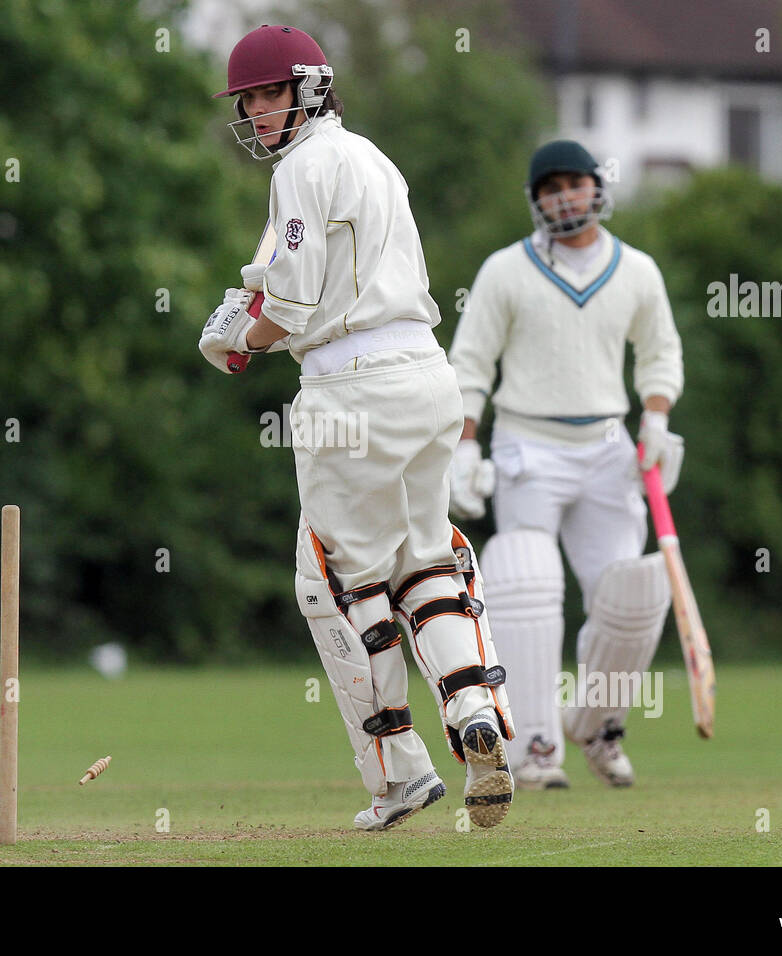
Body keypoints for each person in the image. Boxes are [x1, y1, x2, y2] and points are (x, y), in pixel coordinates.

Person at [198, 25, 516, 830]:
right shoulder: (373, 157)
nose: (256, 111)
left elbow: (292, 307)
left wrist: (237, 339)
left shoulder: (302, 170)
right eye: (249, 99)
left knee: (335, 581)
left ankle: (397, 774)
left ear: (309, 87)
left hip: (350, 391)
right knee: (424, 563)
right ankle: (474, 711)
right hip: (426, 377)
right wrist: (260, 315)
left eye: (267, 94)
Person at [447, 140, 685, 789]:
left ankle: (599, 728)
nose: (563, 197)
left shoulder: (636, 270)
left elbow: (660, 354)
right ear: (536, 199)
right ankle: (535, 745)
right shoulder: (505, 270)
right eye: (549, 188)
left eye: (572, 185)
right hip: (527, 444)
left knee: (629, 598)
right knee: (527, 585)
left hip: (610, 448)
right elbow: (470, 365)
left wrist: (656, 419)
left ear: (595, 189)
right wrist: (466, 444)